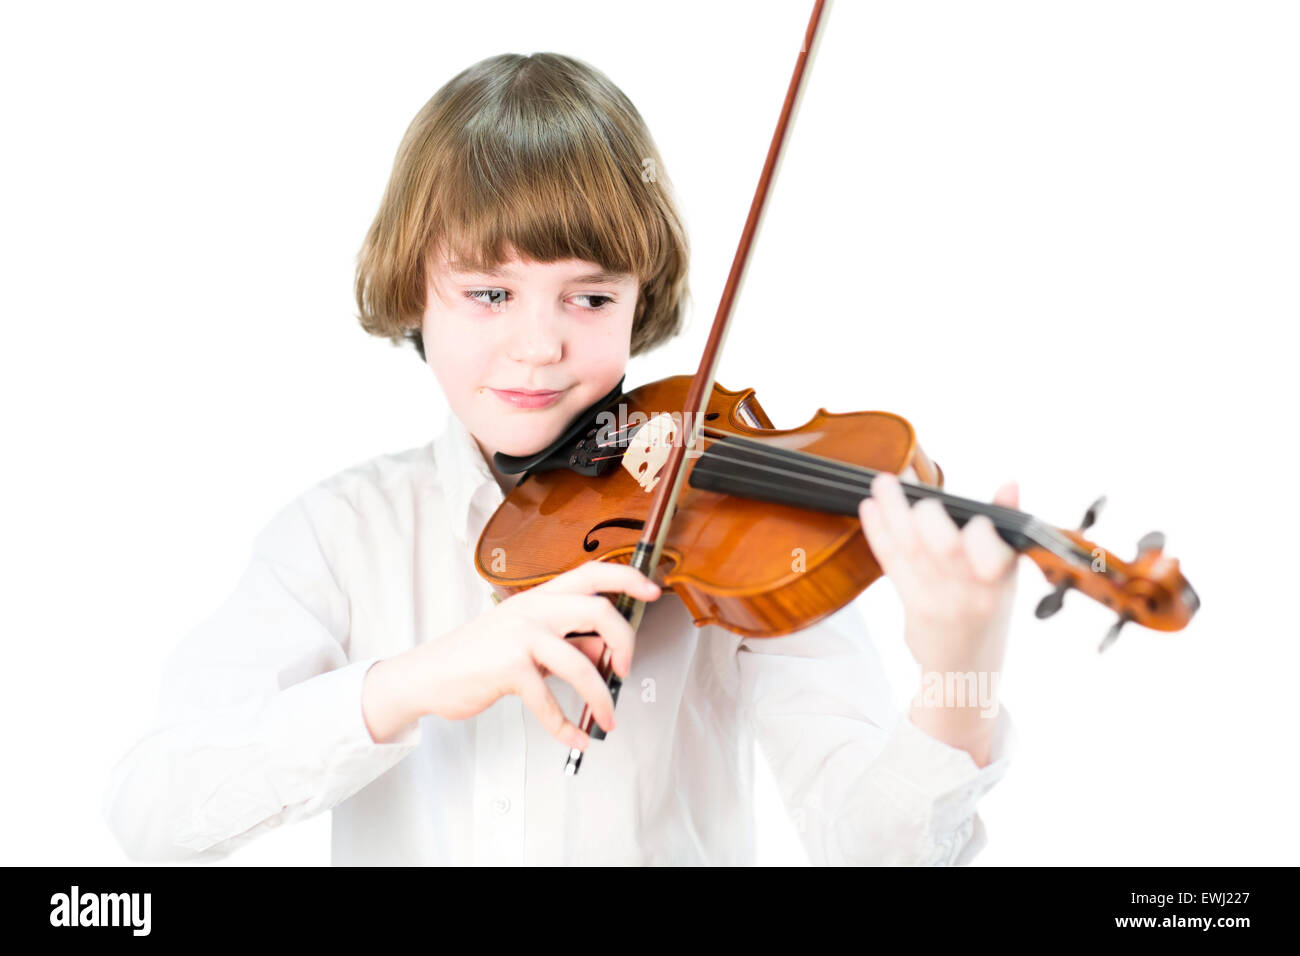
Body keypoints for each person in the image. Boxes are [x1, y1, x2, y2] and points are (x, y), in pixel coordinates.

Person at [102, 52, 1019, 866]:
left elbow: (872, 847)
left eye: (588, 298)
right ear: (414, 288)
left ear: (638, 300)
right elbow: (155, 812)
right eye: (490, 292)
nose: (537, 345)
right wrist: (415, 680)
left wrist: (959, 675)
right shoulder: (343, 535)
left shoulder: (731, 539)